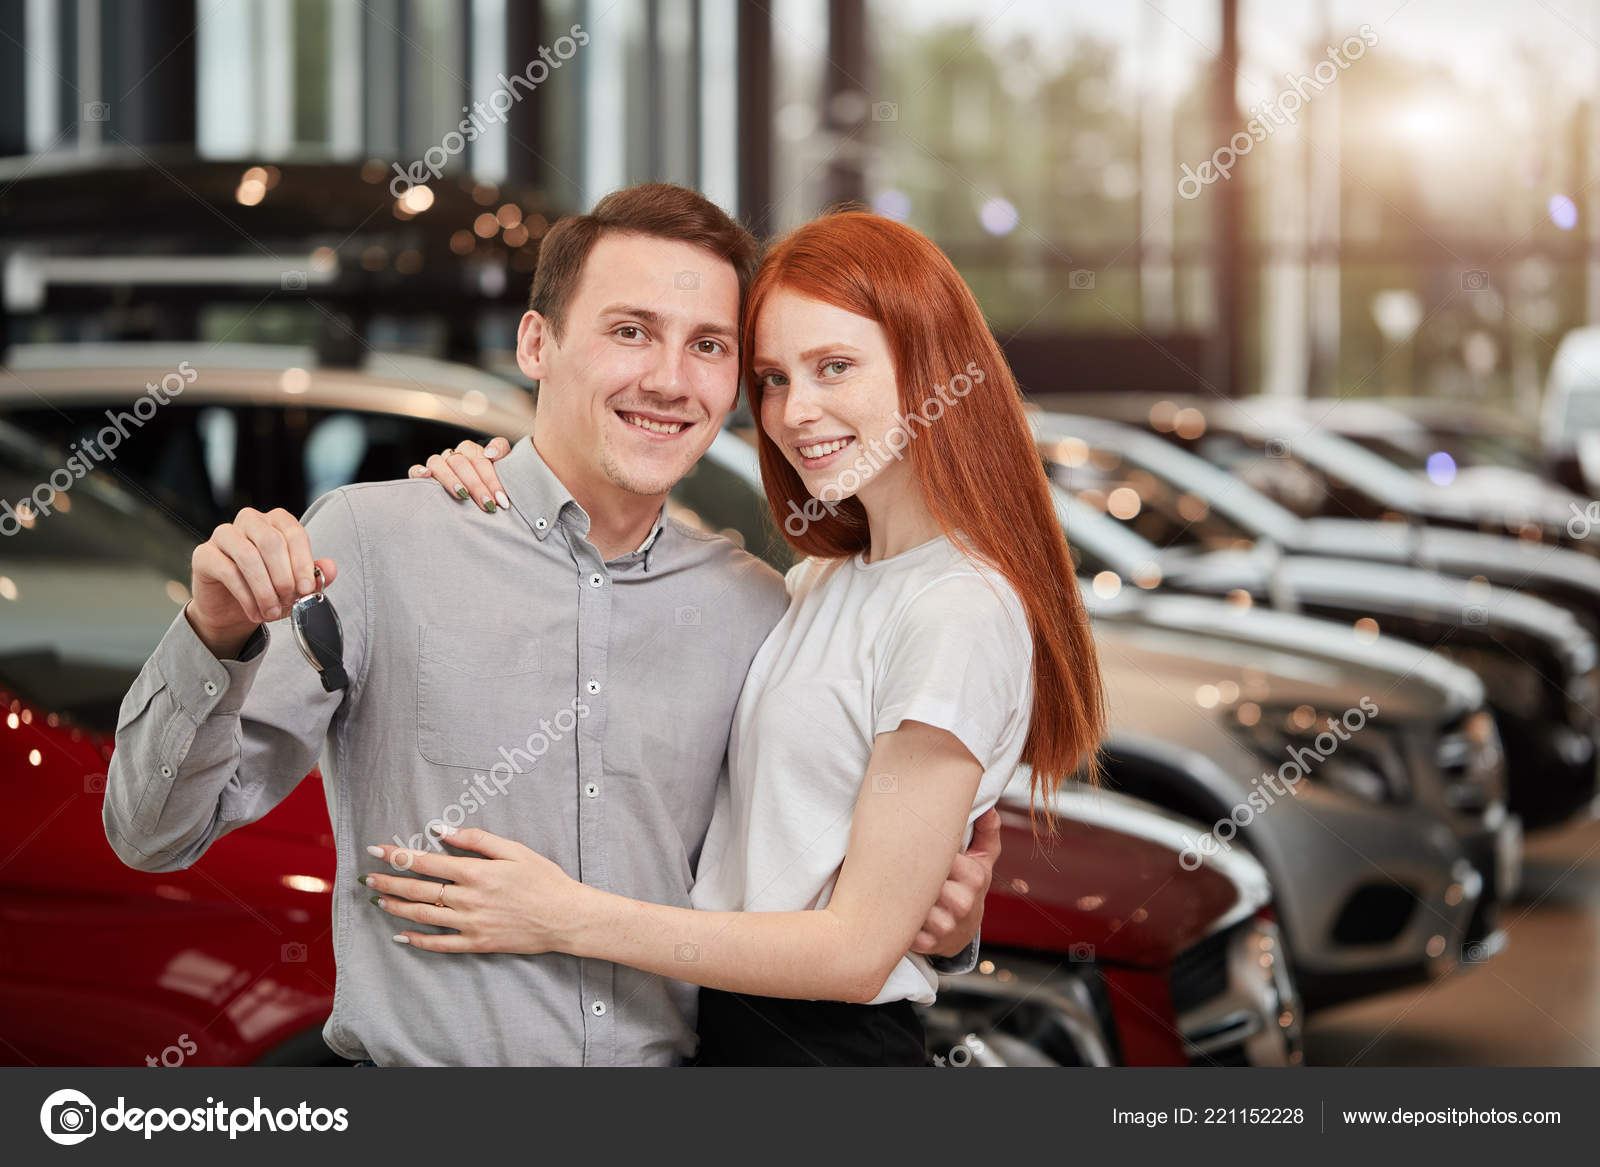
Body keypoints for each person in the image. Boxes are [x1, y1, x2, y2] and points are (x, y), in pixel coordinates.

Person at [102, 184, 992, 1067]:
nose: (669, 379)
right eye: (630, 330)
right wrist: (215, 633)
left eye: (709, 345)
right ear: (538, 342)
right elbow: (155, 833)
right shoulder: (377, 544)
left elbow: (804, 863)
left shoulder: (758, 607)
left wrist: (946, 919)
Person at [374, 208, 1106, 1066]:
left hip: (821, 1055)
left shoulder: (960, 606)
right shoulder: (824, 580)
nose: (798, 412)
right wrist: (496, 490)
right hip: (726, 1031)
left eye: (835, 367)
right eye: (775, 378)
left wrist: (563, 913)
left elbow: (854, 952)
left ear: (928, 368)